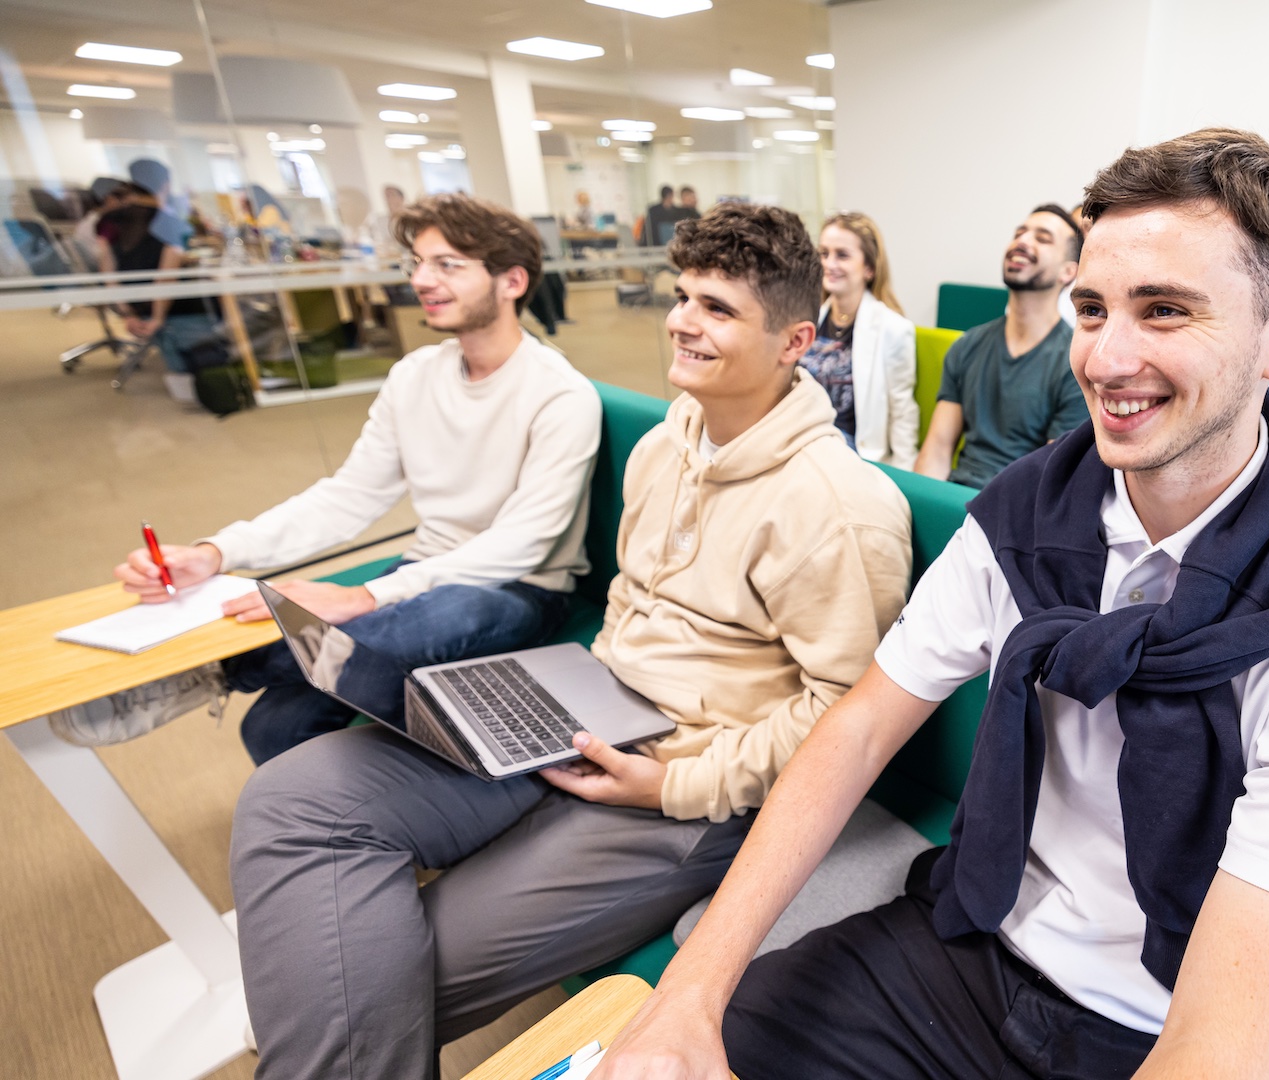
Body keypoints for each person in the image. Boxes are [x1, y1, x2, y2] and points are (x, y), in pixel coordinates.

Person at [591, 127, 1269, 1080]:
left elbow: (1226, 1048)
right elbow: (855, 732)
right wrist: (688, 999)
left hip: (1155, 1021)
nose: (1104, 358)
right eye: (1091, 309)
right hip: (967, 941)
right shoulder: (1031, 510)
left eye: (1167, 310)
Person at [225, 201, 913, 1080]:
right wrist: (545, 693)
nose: (682, 322)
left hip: (689, 781)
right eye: (682, 296)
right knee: (292, 797)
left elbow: (846, 722)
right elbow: (629, 599)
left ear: (793, 341)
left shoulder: (841, 508)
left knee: (375, 976)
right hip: (583, 706)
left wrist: (673, 784)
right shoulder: (668, 445)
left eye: (718, 308)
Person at [114, 194, 601, 764]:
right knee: (271, 730)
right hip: (424, 573)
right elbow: (348, 498)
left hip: (520, 588)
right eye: (417, 263)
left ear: (512, 281)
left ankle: (207, 672)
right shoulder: (415, 375)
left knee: (419, 623)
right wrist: (217, 552)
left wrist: (366, 595)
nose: (421, 279)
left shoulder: (561, 396)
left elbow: (524, 544)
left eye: (447, 265)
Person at [914, 204, 1089, 488]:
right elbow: (937, 451)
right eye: (1020, 232)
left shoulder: (1073, 361)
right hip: (955, 497)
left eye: (1042, 238)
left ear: (1068, 272)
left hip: (1016, 509)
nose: (1022, 241)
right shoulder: (968, 345)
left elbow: (1052, 480)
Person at [803, 211, 918, 466]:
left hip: (851, 455)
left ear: (869, 268)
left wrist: (906, 480)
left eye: (842, 255)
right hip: (802, 443)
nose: (829, 264)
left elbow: (902, 413)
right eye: (824, 253)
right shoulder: (808, 317)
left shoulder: (893, 329)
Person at [95, 182, 223, 405]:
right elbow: (166, 279)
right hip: (174, 308)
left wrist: (129, 314)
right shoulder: (167, 224)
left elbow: (110, 279)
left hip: (142, 307)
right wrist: (157, 317)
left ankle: (190, 383)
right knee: (225, 302)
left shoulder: (109, 227)